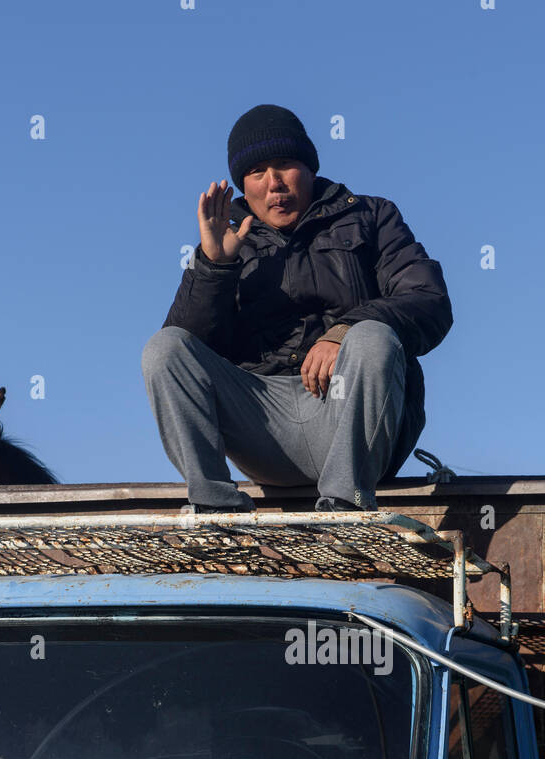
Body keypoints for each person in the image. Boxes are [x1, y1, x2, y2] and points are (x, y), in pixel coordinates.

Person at [141, 104, 452, 513]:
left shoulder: (372, 216)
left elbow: (429, 300)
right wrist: (215, 266)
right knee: (163, 348)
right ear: (243, 186)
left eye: (285, 165)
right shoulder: (229, 239)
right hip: (263, 427)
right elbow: (183, 358)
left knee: (373, 335)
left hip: (348, 418)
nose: (274, 184)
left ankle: (346, 507)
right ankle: (216, 509)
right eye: (257, 173)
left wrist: (344, 330)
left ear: (309, 168)